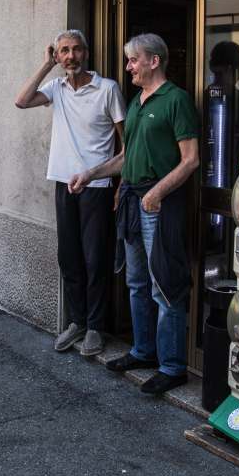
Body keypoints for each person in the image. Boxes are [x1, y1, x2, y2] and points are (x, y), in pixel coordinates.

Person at [70, 33, 199, 395]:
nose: (128, 67)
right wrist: (90, 174)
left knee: (165, 285)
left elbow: (190, 160)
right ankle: (143, 351)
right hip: (133, 201)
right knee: (136, 283)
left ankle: (172, 367)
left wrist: (157, 192)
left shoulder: (176, 100)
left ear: (154, 61)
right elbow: (127, 157)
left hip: (159, 204)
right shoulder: (138, 102)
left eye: (133, 60)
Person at [15, 29, 126, 357]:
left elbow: (126, 144)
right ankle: (77, 321)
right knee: (70, 257)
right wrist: (45, 65)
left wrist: (117, 184)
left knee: (95, 259)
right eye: (64, 51)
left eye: (76, 50)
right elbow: (21, 100)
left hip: (97, 186)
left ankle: (95, 327)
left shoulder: (108, 89)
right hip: (63, 183)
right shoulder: (57, 88)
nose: (70, 56)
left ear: (86, 53)